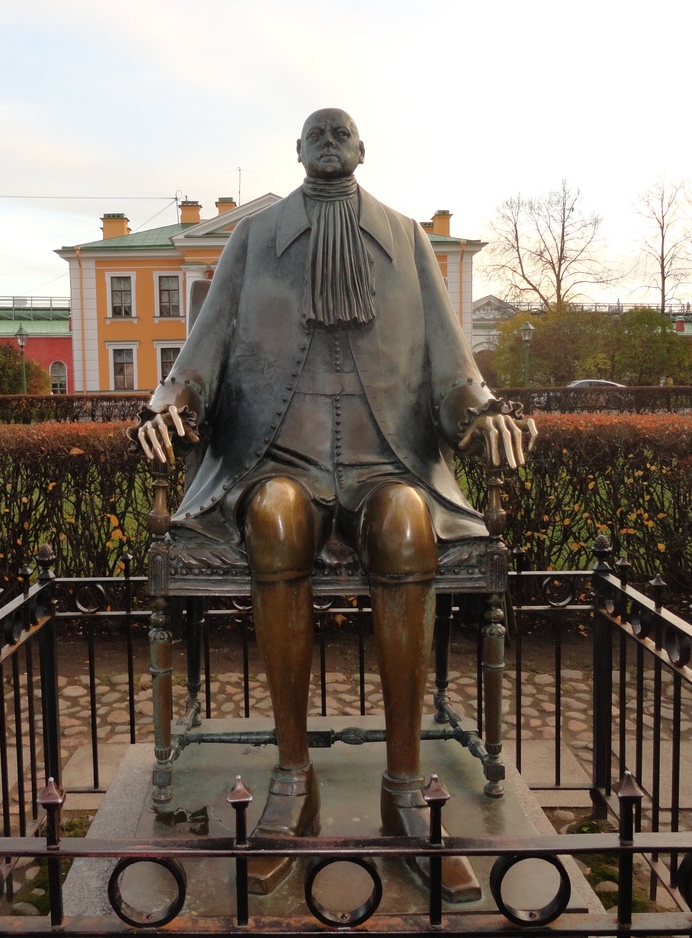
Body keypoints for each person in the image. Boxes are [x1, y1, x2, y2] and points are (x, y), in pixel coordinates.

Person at [133, 109, 531, 900]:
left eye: (341, 132)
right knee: (276, 517)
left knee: (406, 522)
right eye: (315, 132)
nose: (328, 139)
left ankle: (405, 793)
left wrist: (483, 417)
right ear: (296, 151)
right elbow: (200, 355)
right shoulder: (253, 239)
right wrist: (166, 405)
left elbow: (454, 369)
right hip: (277, 459)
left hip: (391, 463)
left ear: (362, 149)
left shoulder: (406, 238)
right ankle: (293, 781)